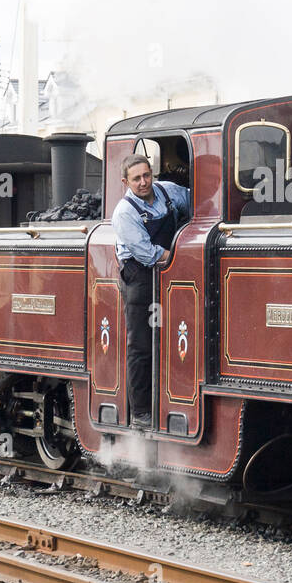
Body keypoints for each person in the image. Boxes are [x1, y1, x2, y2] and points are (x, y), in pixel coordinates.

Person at [111, 154, 192, 430]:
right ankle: (141, 412)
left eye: (147, 175)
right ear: (126, 181)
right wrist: (184, 257)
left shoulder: (167, 191)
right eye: (137, 179)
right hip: (141, 276)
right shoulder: (124, 213)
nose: (144, 182)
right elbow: (147, 253)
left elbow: (196, 201)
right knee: (141, 345)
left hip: (170, 271)